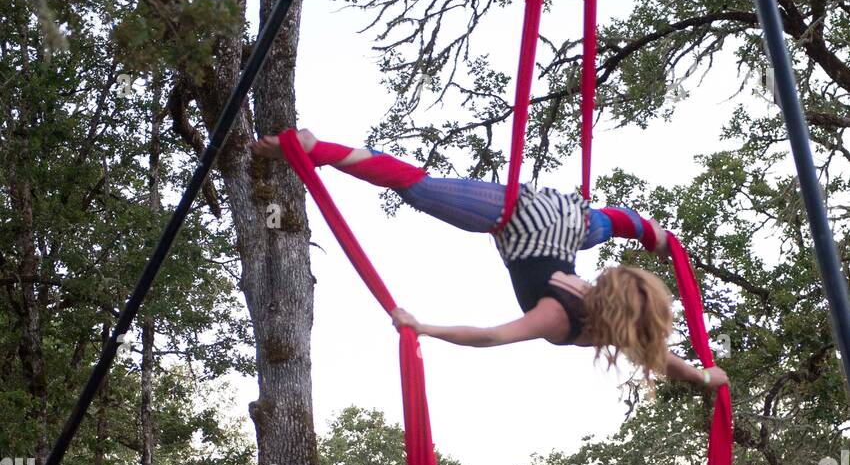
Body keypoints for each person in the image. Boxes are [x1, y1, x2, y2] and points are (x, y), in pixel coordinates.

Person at [252, 130, 729, 396]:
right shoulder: (559, 316)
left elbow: (665, 360)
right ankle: (316, 149)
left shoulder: (617, 327)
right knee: (416, 188)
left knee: (620, 223)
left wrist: (705, 375)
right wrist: (423, 328)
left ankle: (653, 232)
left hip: (575, 224)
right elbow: (491, 336)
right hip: (522, 221)